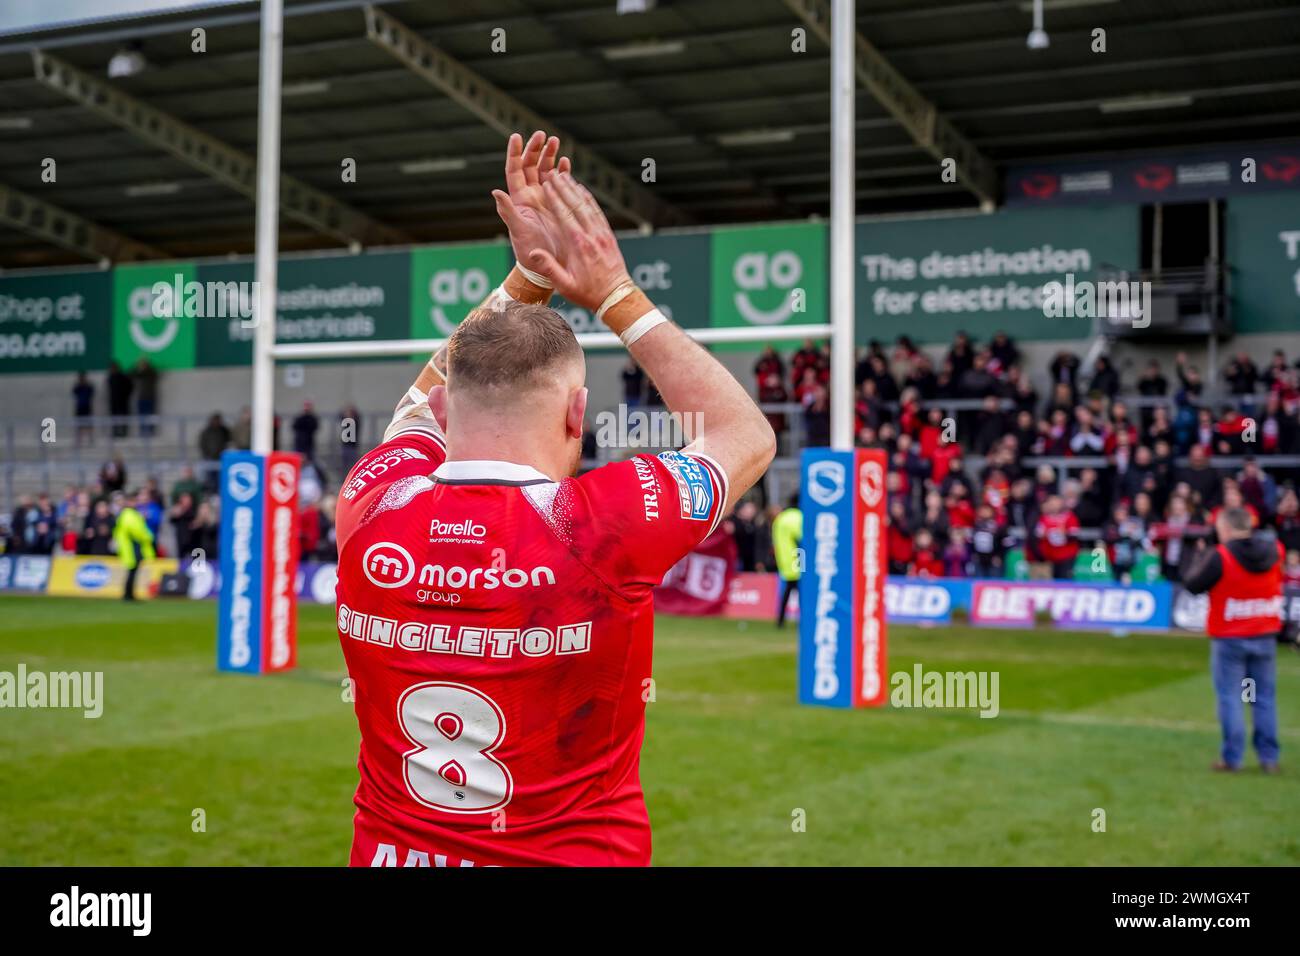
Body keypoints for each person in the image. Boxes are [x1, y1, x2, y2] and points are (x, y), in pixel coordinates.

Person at [332, 132, 774, 868]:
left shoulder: (371, 500)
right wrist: (613, 294)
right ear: (579, 415)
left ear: (442, 413)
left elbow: (414, 409)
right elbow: (744, 433)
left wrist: (523, 280)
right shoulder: (606, 524)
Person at [1181, 507, 1283, 773]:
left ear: (1224, 528)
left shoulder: (1221, 557)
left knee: (1231, 697)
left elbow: (1192, 585)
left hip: (1231, 638)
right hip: (1265, 634)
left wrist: (1200, 554)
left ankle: (1233, 758)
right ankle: (1268, 758)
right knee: (1263, 698)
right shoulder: (1275, 552)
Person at [113, 490, 156, 601]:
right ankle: (128, 595)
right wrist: (148, 536)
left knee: (133, 571)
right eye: (133, 501)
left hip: (133, 546)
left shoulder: (129, 514)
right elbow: (137, 530)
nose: (135, 503)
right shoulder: (129, 514)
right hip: (133, 547)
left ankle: (129, 594)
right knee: (132, 571)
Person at [771, 493, 802, 628]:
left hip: (784, 559)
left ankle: (780, 620)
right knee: (802, 590)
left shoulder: (781, 518)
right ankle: (805, 619)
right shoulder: (798, 517)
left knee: (787, 590)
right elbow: (801, 537)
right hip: (799, 558)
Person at [133, 357, 159, 436]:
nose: (143, 366)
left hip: (150, 397)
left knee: (150, 415)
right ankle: (142, 431)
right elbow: (131, 374)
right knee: (141, 416)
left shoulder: (151, 373)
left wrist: (146, 367)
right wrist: (137, 366)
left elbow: (154, 374)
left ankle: (151, 431)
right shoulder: (139, 374)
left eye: (144, 364)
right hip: (142, 398)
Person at [107, 360, 132, 437]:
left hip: (122, 401)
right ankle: (115, 432)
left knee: (124, 417)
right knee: (114, 418)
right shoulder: (110, 378)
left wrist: (125, 396)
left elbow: (130, 387)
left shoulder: (123, 377)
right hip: (114, 402)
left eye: (114, 368)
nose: (112, 369)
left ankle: (124, 432)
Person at [72, 371, 95, 446]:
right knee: (79, 426)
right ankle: (79, 441)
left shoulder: (88, 387)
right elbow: (74, 393)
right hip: (80, 408)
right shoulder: (78, 387)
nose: (82, 379)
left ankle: (91, 440)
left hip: (87, 407)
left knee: (89, 424)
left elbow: (92, 393)